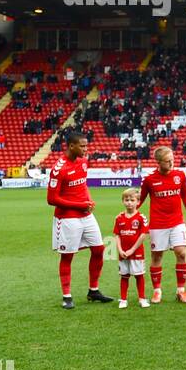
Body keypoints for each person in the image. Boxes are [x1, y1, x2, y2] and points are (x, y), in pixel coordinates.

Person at [47, 131, 112, 309]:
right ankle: (67, 296)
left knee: (99, 250)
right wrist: (79, 205)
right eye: (82, 146)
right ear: (71, 146)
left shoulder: (83, 161)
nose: (85, 149)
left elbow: (82, 184)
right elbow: (51, 199)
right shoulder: (59, 168)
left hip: (86, 215)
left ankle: (93, 290)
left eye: (86, 146)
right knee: (68, 256)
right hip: (67, 218)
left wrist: (88, 200)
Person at [140, 145, 186, 304]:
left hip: (177, 222)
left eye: (172, 159)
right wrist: (130, 215)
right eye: (167, 161)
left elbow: (185, 194)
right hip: (158, 224)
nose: (171, 163)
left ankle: (181, 291)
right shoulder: (149, 179)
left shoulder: (179, 175)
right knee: (157, 256)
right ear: (158, 162)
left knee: (181, 253)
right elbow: (141, 199)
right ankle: (157, 291)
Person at [112, 188, 150, 309]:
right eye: (126, 200)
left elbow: (143, 235)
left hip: (137, 253)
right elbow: (117, 235)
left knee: (139, 275)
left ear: (138, 202)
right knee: (124, 276)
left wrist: (132, 250)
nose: (129, 202)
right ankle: (123, 299)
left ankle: (142, 299)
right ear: (123, 201)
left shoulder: (141, 218)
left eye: (132, 200)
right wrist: (120, 250)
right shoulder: (119, 218)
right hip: (123, 253)